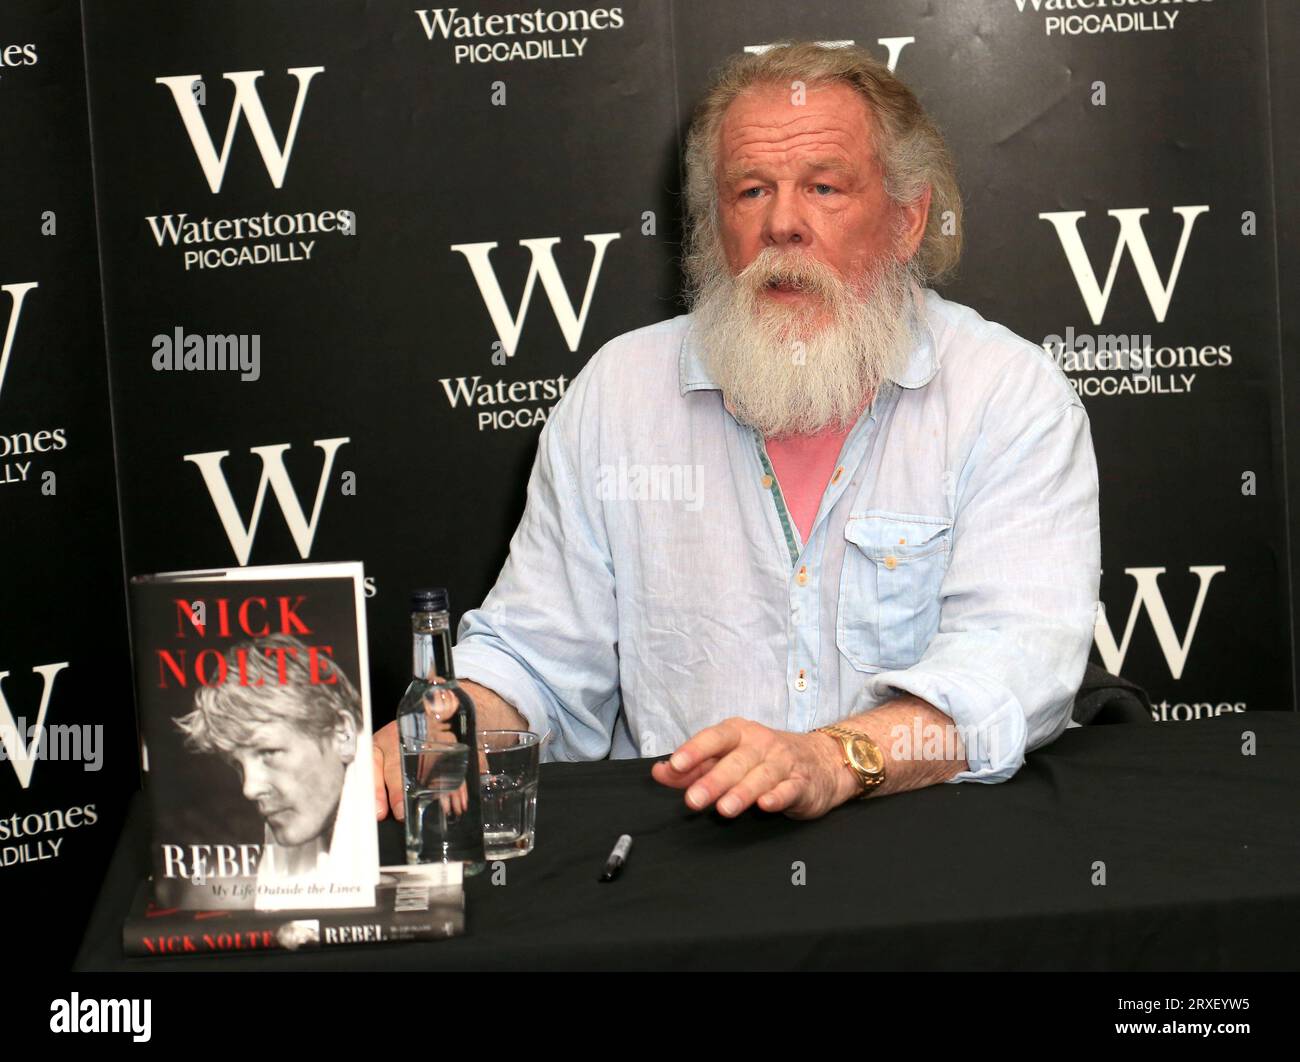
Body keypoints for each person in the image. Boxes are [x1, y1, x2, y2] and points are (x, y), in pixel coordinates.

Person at [375, 40, 1100, 822]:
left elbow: (1015, 666)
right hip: (678, 863)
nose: (782, 224)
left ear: (907, 218)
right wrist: (457, 722)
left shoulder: (1007, 395)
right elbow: (538, 657)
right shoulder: (617, 396)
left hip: (918, 850)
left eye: (824, 187)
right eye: (751, 191)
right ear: (714, 223)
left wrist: (832, 758)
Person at [175, 632, 372, 883]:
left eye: (269, 753)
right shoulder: (294, 833)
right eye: (238, 765)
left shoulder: (407, 827)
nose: (250, 788)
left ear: (342, 733)